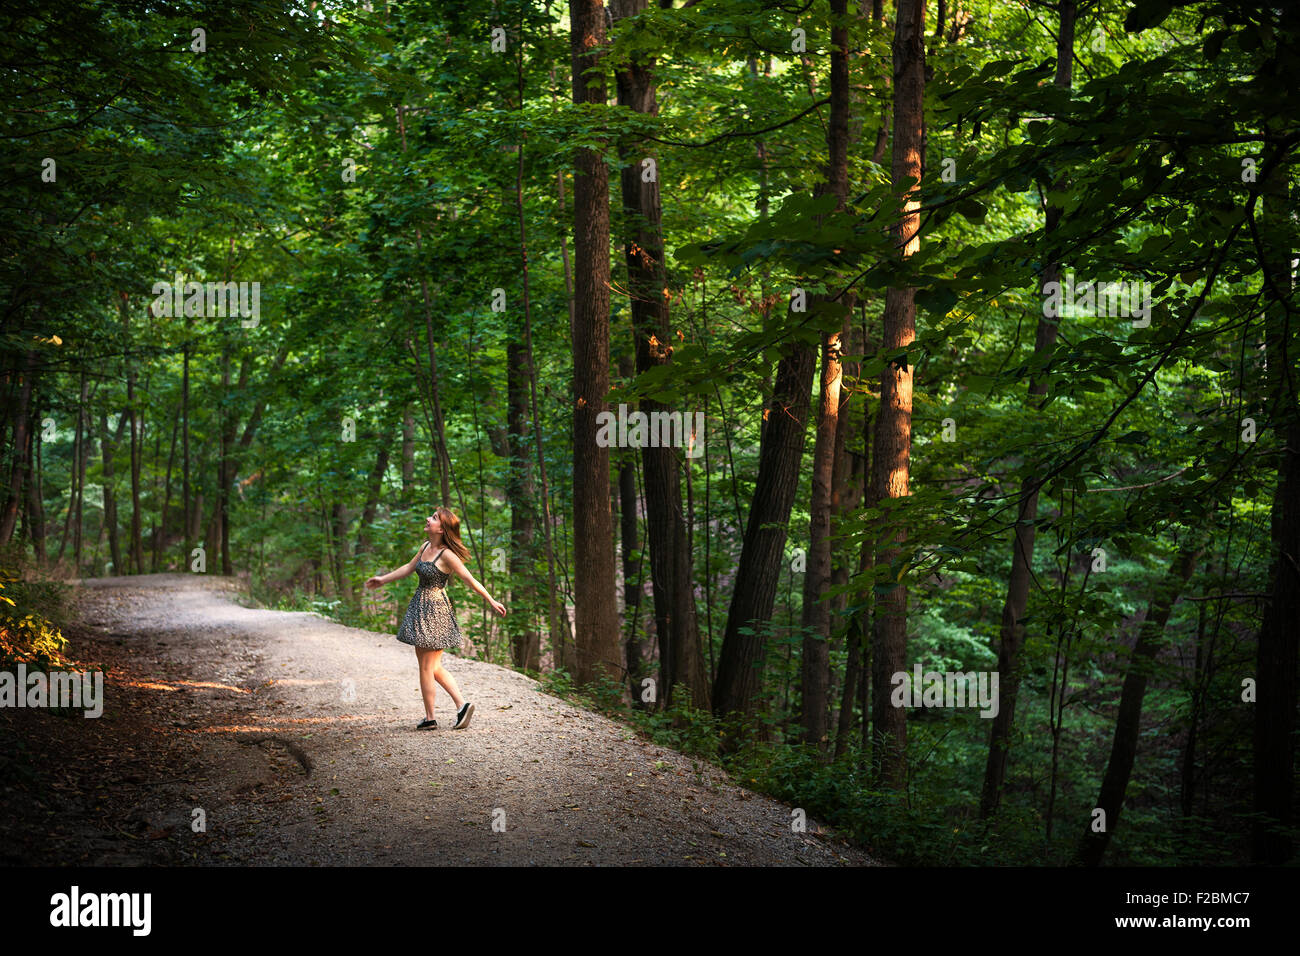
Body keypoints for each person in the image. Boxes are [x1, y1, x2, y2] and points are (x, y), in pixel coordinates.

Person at [365, 507, 506, 730]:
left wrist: (491, 600)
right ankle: (461, 706)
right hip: (420, 607)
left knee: (426, 667)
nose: (428, 519)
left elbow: (470, 580)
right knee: (432, 666)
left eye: (433, 518)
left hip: (436, 611)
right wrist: (383, 580)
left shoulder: (447, 554)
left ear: (442, 528)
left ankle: (432, 717)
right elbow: (408, 568)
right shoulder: (425, 547)